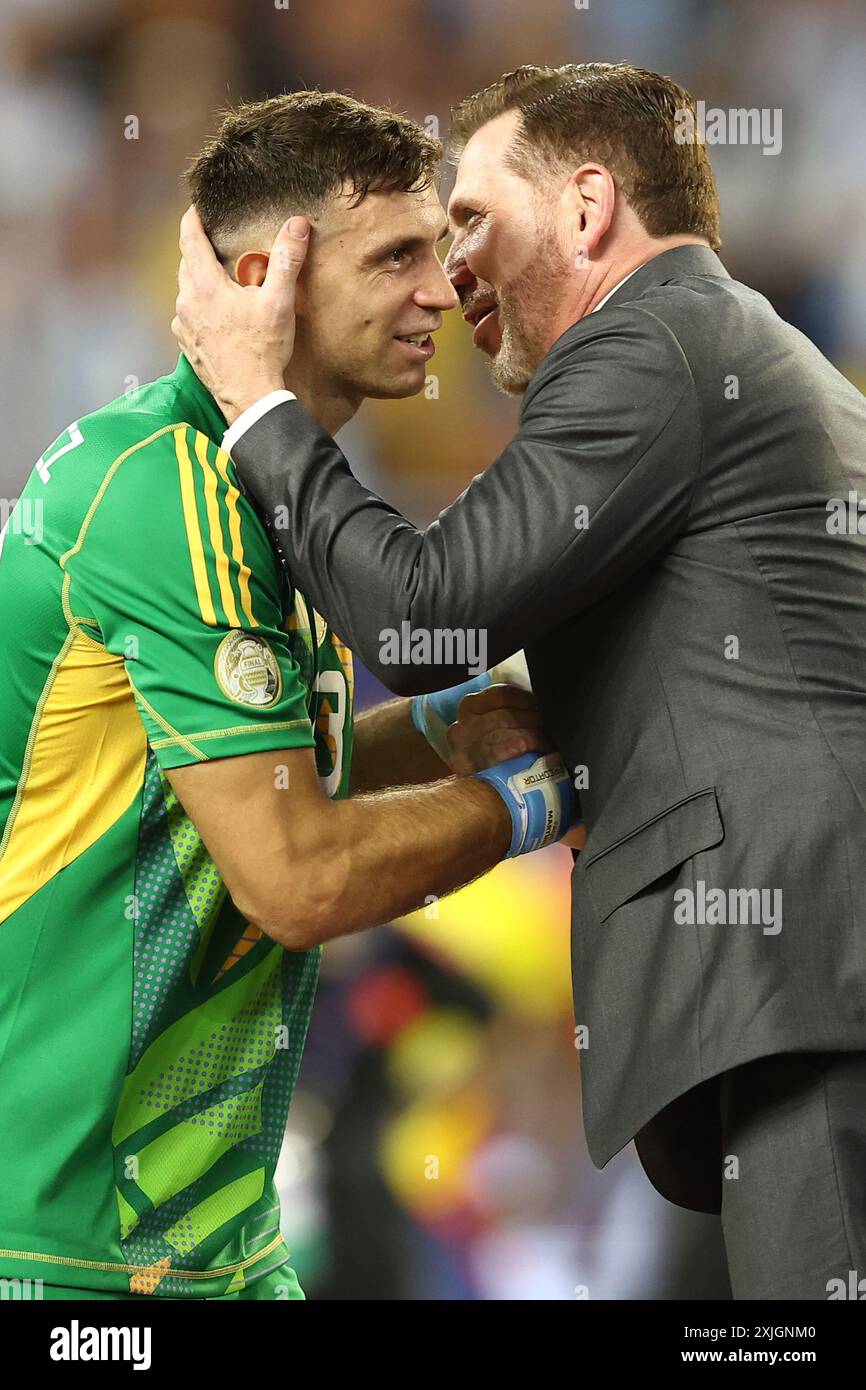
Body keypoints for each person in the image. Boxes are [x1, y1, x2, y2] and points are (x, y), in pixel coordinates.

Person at [173, 63, 866, 1300]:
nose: (450, 281)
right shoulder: (729, 350)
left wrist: (258, 405)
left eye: (471, 223)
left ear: (588, 205)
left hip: (805, 987)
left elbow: (428, 616)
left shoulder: (652, 341)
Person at [0, 91, 578, 1302]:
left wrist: (439, 728)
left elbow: (260, 764)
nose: (443, 285)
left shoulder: (263, 484)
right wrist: (532, 801)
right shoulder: (164, 498)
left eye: (440, 245)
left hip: (214, 1234)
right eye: (397, 256)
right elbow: (295, 875)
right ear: (265, 279)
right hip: (67, 1245)